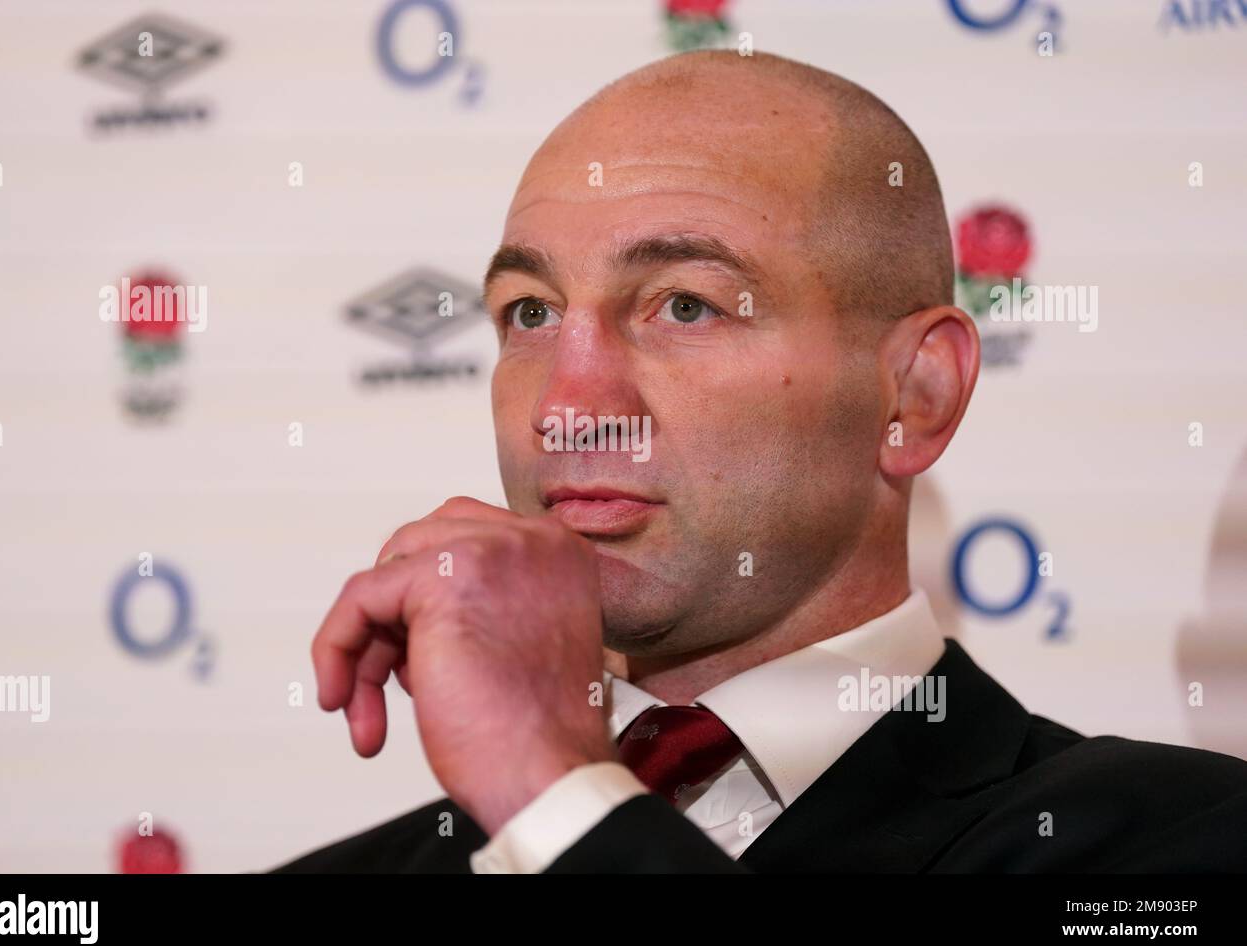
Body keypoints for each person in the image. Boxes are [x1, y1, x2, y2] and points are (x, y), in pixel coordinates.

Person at [272, 50, 1247, 873]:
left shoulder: (1176, 844)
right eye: (530, 312)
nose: (568, 409)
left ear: (916, 393)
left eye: (685, 305)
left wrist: (557, 791)